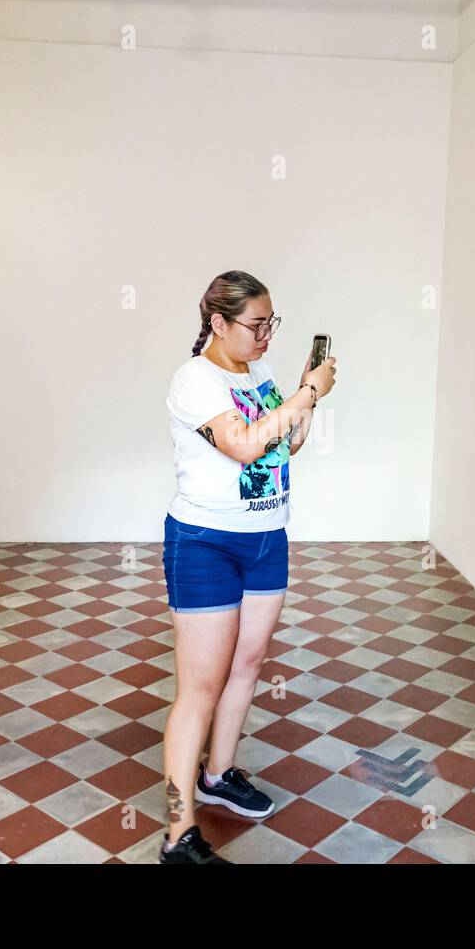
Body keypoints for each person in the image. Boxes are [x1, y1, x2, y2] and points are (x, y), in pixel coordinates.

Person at [159, 270, 338, 863]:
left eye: (271, 324)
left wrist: (305, 402)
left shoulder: (257, 374)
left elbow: (284, 444)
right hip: (206, 541)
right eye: (256, 325)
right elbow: (241, 445)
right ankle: (178, 831)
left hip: (267, 537)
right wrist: (304, 396)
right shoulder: (194, 381)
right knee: (200, 687)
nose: (266, 336)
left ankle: (220, 774)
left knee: (248, 664)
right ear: (218, 323)